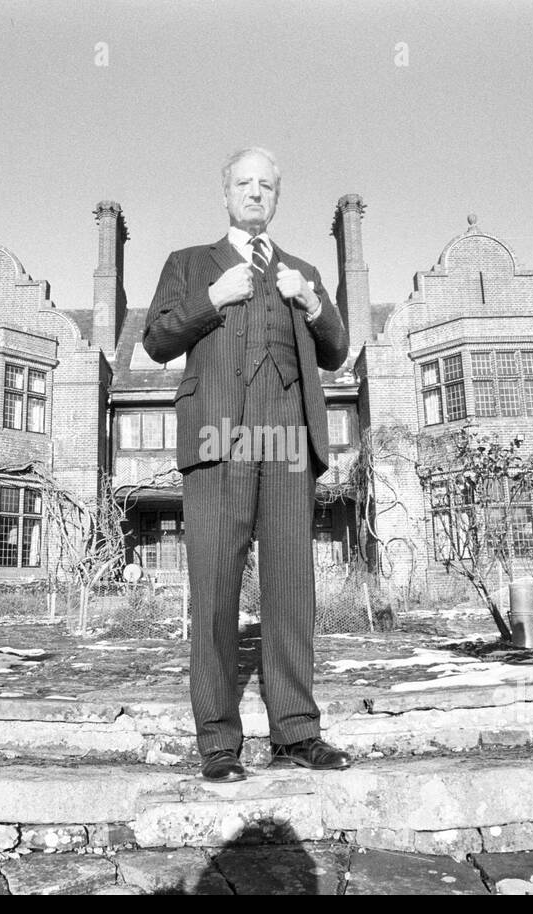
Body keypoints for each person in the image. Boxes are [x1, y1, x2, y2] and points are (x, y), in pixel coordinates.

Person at [143, 147, 353, 782]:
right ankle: (217, 741)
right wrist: (211, 298)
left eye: (266, 185)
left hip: (288, 438)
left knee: (291, 587)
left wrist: (311, 303)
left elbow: (336, 352)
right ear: (226, 193)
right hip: (218, 437)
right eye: (244, 183)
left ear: (277, 197)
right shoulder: (188, 264)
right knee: (215, 589)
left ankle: (296, 732)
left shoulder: (301, 270)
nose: (255, 193)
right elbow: (156, 341)